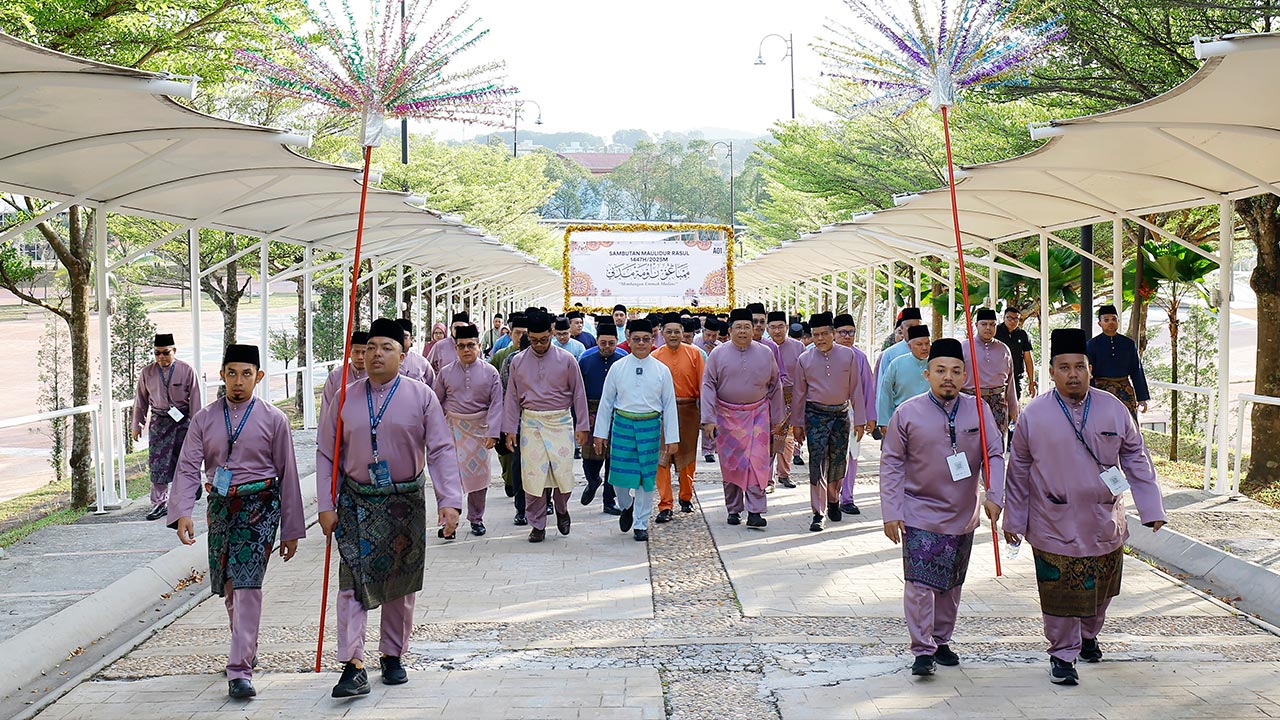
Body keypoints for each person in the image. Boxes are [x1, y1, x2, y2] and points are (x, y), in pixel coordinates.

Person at [1004, 328, 1166, 685]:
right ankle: (1063, 655)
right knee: (1059, 591)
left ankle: (1089, 634)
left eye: (1079, 366)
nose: (1073, 374)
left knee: (1101, 588)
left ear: (1090, 369)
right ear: (1052, 372)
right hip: (1051, 521)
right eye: (1064, 367)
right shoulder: (1034, 414)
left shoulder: (1113, 409)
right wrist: (1014, 519)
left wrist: (1151, 507)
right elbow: (1018, 470)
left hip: (1103, 519)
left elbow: (1136, 457)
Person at [316, 318, 462, 698]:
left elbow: (441, 449)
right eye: (370, 348)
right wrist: (326, 504)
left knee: (400, 583)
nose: (375, 355)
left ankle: (392, 654)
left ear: (402, 354)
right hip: (356, 502)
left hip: (404, 502)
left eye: (386, 348)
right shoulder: (344, 397)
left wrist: (449, 500)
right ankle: (352, 664)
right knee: (352, 584)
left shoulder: (422, 396)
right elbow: (327, 453)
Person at [167, 344, 305, 699]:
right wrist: (182, 511)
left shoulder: (274, 419)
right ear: (222, 375)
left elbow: (288, 474)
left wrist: (291, 529)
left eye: (246, 374)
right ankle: (246, 646)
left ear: (259, 377)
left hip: (260, 508)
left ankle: (239, 669)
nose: (238, 381)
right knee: (230, 586)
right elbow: (188, 466)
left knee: (247, 584)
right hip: (220, 508)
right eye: (232, 374)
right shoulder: (204, 419)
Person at [879, 338, 1005, 677]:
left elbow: (994, 453)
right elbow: (891, 463)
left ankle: (941, 639)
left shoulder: (979, 410)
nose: (947, 377)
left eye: (955, 371)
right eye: (940, 370)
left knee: (951, 583)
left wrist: (995, 494)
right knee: (920, 583)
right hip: (919, 510)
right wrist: (892, 511)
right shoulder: (907, 413)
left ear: (965, 375)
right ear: (927, 374)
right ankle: (922, 649)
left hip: (963, 512)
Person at [502, 312, 591, 543]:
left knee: (562, 474)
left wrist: (582, 426)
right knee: (533, 477)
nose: (539, 345)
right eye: (534, 340)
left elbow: (579, 393)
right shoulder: (518, 361)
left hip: (560, 422)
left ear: (551, 334)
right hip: (530, 423)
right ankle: (537, 524)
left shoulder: (567, 359)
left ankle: (562, 509)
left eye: (543, 339)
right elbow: (512, 397)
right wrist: (509, 429)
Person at [594, 318, 680, 542]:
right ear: (628, 339)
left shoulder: (662, 370)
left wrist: (672, 438)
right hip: (622, 426)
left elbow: (670, 405)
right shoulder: (618, 367)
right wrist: (600, 434)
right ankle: (626, 505)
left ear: (652, 340)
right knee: (618, 478)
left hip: (650, 428)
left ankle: (641, 523)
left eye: (645, 339)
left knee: (645, 479)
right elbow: (606, 402)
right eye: (636, 339)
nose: (641, 343)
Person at [702, 308, 784, 529]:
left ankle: (756, 511)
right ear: (729, 330)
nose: (742, 331)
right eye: (738, 327)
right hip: (726, 417)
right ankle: (734, 508)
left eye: (747, 327)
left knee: (758, 463)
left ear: (754, 329)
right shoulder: (717, 354)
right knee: (732, 465)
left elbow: (775, 386)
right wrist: (708, 418)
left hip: (758, 415)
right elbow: (708, 386)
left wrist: (778, 419)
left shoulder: (766, 353)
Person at [789, 313, 866, 532]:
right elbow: (799, 394)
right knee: (817, 463)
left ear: (833, 333)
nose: (820, 338)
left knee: (839, 461)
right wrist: (797, 424)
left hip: (841, 415)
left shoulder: (848, 355)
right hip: (816, 416)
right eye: (816, 335)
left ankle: (834, 499)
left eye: (824, 334)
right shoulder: (804, 359)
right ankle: (818, 512)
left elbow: (856, 388)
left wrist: (860, 420)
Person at [434, 324, 503, 537]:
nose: (466, 349)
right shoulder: (445, 372)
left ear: (479, 346)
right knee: (449, 477)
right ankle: (449, 522)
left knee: (478, 480)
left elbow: (497, 404)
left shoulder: (490, 372)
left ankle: (476, 519)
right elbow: (435, 402)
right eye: (462, 346)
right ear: (455, 348)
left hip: (479, 431)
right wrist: (435, 432)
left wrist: (493, 433)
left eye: (471, 345)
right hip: (452, 430)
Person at [133, 333, 202, 521]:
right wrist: (137, 424)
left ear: (174, 351)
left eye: (165, 352)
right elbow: (140, 400)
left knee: (186, 459)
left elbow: (196, 399)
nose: (161, 357)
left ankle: (192, 484)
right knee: (158, 464)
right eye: (157, 353)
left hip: (183, 421)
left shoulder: (187, 370)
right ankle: (159, 504)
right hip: (159, 422)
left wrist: (197, 427)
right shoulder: (147, 373)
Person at [652, 315, 706, 520]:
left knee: (687, 457)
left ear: (683, 333)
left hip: (688, 411)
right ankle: (665, 505)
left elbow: (703, 386)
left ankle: (686, 497)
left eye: (677, 331)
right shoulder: (655, 356)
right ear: (662, 333)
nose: (673, 335)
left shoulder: (695, 354)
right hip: (661, 413)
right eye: (669, 332)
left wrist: (706, 416)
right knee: (662, 458)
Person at [578, 322, 627, 515]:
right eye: (603, 343)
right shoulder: (585, 359)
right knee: (589, 457)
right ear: (597, 340)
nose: (607, 347)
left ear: (617, 341)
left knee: (612, 459)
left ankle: (609, 500)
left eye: (611, 343)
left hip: (617, 411)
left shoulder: (624, 359)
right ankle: (592, 480)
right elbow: (578, 392)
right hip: (591, 410)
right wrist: (580, 418)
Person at [490, 313, 532, 524]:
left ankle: (545, 502)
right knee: (516, 463)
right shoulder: (507, 359)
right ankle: (520, 506)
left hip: (544, 421)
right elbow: (505, 392)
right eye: (518, 333)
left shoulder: (553, 358)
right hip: (517, 420)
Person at [833, 314, 875, 516]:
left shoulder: (860, 357)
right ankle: (830, 497)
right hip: (828, 413)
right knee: (831, 456)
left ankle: (847, 498)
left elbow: (868, 389)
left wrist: (870, 417)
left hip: (853, 414)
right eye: (843, 332)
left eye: (851, 332)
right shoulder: (823, 355)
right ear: (834, 334)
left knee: (852, 455)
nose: (847, 336)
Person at [960, 308, 1019, 440]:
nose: (988, 328)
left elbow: (1010, 381)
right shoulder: (963, 347)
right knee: (972, 440)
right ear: (976, 325)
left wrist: (1013, 407)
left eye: (992, 324)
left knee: (998, 440)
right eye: (984, 324)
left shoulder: (1003, 349)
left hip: (998, 402)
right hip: (971, 400)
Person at [764, 310, 806, 490]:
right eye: (773, 327)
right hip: (768, 397)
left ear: (787, 327)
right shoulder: (762, 347)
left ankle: (784, 474)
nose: (777, 331)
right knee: (768, 438)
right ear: (767, 328)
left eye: (780, 327)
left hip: (791, 397)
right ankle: (767, 479)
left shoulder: (798, 347)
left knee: (788, 438)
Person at [1086, 304, 1150, 422]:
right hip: (1101, 392)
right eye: (1106, 320)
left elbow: (1136, 371)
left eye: (1114, 319)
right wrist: (1091, 395)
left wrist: (1142, 398)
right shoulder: (1091, 345)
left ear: (1118, 321)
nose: (1111, 322)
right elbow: (1088, 373)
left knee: (1129, 424)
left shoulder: (1128, 344)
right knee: (1102, 424)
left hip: (1125, 390)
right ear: (1100, 323)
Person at [876, 325, 932, 432]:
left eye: (927, 343)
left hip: (930, 420)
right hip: (901, 420)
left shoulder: (935, 365)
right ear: (910, 346)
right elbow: (885, 393)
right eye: (919, 344)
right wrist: (884, 422)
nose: (924, 348)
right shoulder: (897, 364)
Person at [996, 306, 1036, 399]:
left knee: (1015, 404)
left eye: (1016, 319)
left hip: (1016, 377)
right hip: (997, 377)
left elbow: (1028, 359)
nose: (1012, 321)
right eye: (1009, 318)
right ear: (1004, 318)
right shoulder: (996, 331)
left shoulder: (1022, 334)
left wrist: (1031, 382)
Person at [321, 331, 368, 411]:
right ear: (349, 352)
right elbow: (326, 407)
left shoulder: (377, 376)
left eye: (364, 352)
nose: (360, 357)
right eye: (356, 352)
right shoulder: (335, 375)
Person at [874, 307, 923, 377]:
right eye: (910, 327)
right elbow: (882, 381)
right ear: (902, 328)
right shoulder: (889, 354)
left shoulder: (928, 351)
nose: (914, 330)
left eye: (917, 326)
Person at [396, 319, 436, 388]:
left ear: (411, 339)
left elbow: (432, 385)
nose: (401, 340)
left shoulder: (422, 362)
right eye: (397, 336)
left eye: (405, 337)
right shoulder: (385, 361)